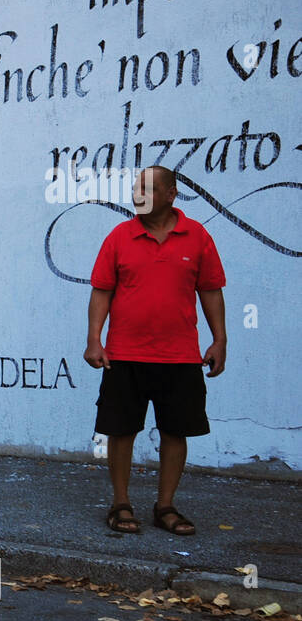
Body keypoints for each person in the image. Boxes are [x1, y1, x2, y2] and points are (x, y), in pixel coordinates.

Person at [84, 165, 226, 536]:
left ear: (171, 194)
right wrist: (94, 339)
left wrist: (219, 339)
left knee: (176, 432)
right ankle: (120, 503)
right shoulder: (119, 236)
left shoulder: (197, 237)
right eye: (135, 188)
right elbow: (102, 290)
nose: (137, 195)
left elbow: (210, 290)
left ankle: (165, 506)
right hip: (124, 353)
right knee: (121, 430)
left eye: (147, 189)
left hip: (179, 356)